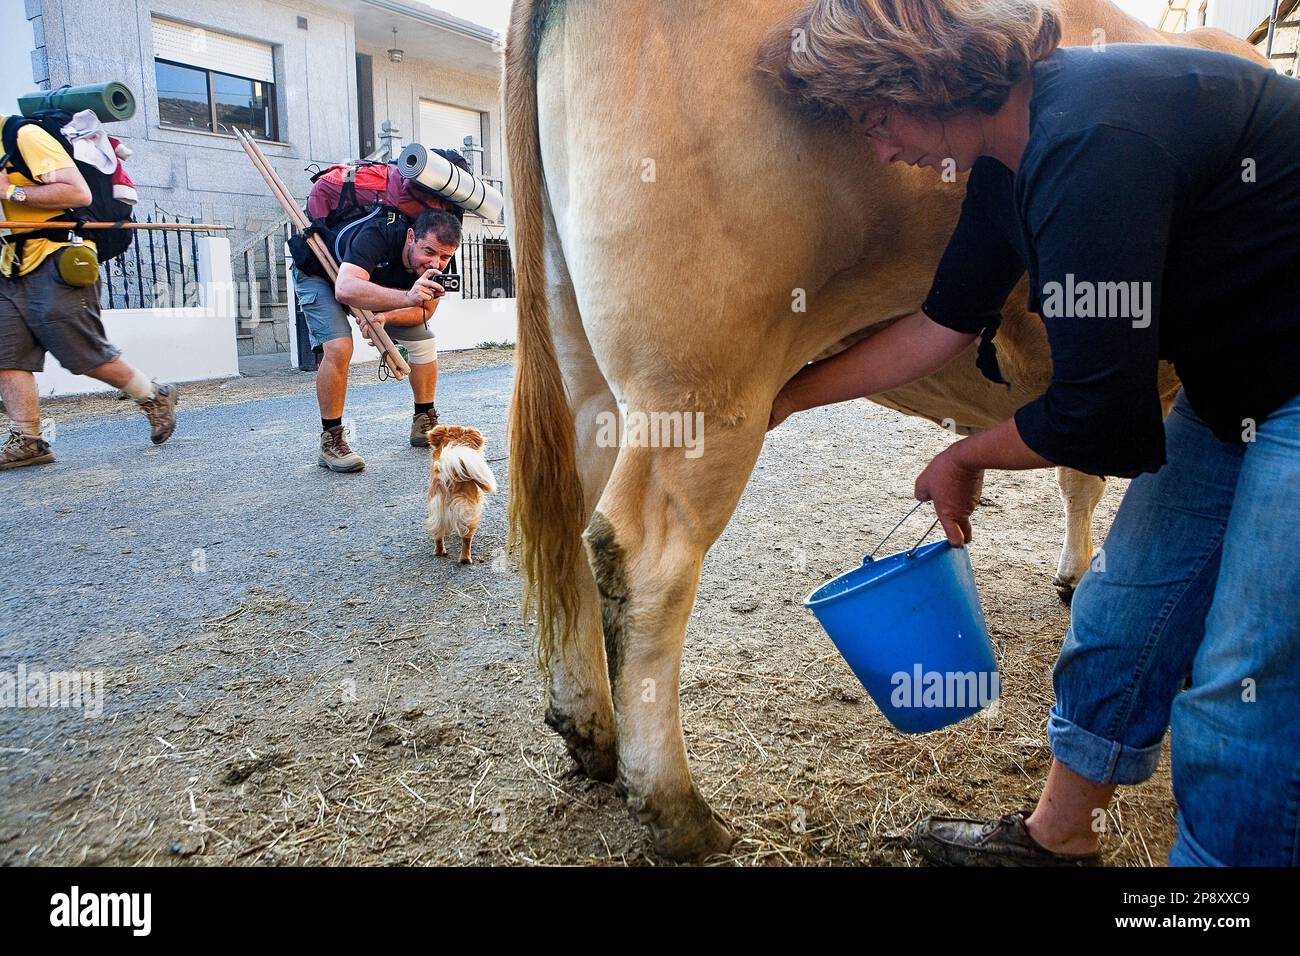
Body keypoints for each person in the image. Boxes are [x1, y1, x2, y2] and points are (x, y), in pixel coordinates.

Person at [761, 0, 1300, 866]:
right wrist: (782, 398)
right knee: (1123, 612)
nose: (880, 148)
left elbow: (1099, 413)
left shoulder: (1091, 146)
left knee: (1245, 687)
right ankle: (1056, 840)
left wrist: (966, 452)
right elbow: (942, 321)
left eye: (876, 119)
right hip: (1234, 389)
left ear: (923, 81)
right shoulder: (1009, 155)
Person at [1, 116, 177, 469]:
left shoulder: (23, 136)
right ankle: (28, 440)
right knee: (7, 356)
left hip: (55, 256)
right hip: (10, 264)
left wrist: (9, 191)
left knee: (84, 354)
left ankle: (154, 396)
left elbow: (76, 192)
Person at [291, 207, 462, 472]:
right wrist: (406, 298)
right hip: (322, 274)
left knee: (424, 340)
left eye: (444, 257)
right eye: (428, 252)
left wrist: (386, 318)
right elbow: (345, 289)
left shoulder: (440, 258)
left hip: (372, 287)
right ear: (410, 237)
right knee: (339, 346)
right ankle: (331, 440)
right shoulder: (378, 234)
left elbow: (426, 310)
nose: (435, 264)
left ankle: (423, 419)